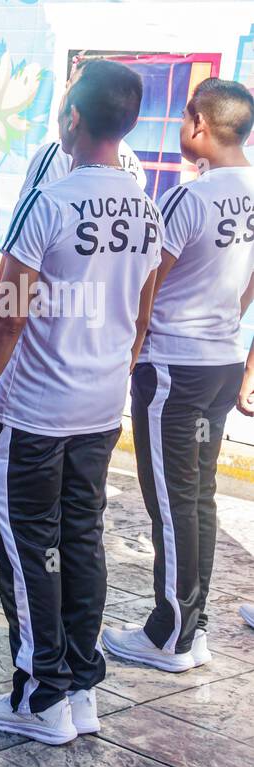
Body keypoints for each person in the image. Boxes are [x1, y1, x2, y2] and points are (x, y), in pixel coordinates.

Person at [0, 59, 160, 745]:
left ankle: (41, 695)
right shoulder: (145, 203)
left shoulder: (52, 202)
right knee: (80, 541)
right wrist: (112, 373)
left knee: (30, 549)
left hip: (37, 412)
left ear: (73, 117)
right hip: (98, 409)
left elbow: (6, 315)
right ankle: (77, 684)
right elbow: (142, 312)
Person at [101, 79, 254, 672]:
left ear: (197, 124)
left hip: (174, 367)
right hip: (216, 360)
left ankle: (171, 631)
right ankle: (192, 623)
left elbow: (146, 284)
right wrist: (233, 337)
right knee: (198, 497)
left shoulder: (191, 198)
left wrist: (128, 351)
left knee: (171, 500)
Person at [19, 56, 147, 201]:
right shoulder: (149, 206)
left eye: (68, 88)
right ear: (133, 123)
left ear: (74, 116)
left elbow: (32, 211)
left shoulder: (54, 154)